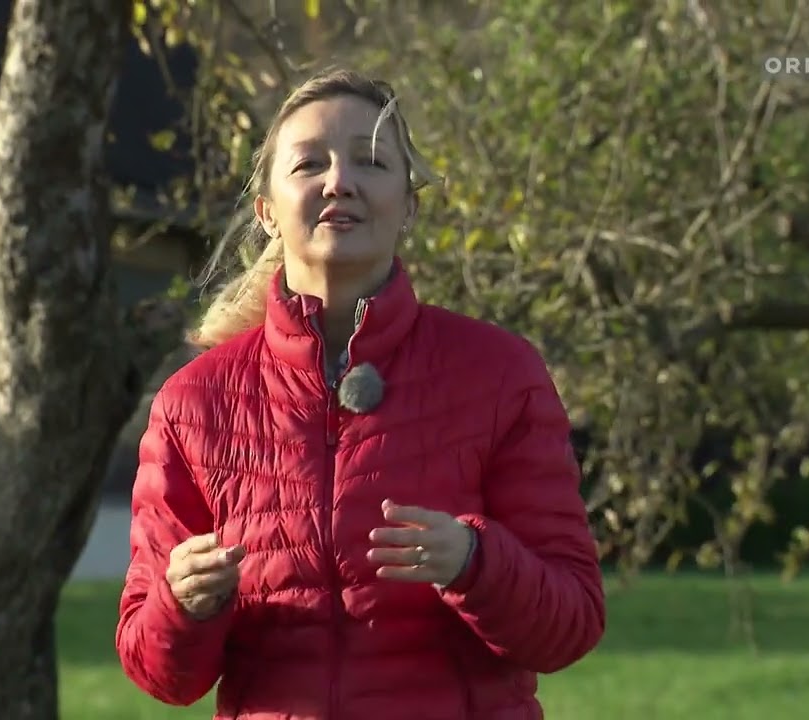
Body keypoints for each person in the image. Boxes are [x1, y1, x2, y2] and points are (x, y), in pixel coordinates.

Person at [115, 67, 606, 719]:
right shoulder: (194, 404)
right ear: (265, 210)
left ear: (409, 203)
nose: (339, 181)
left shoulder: (499, 375)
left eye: (370, 161)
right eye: (309, 163)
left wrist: (474, 561)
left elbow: (570, 623)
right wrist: (181, 603)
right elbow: (160, 674)